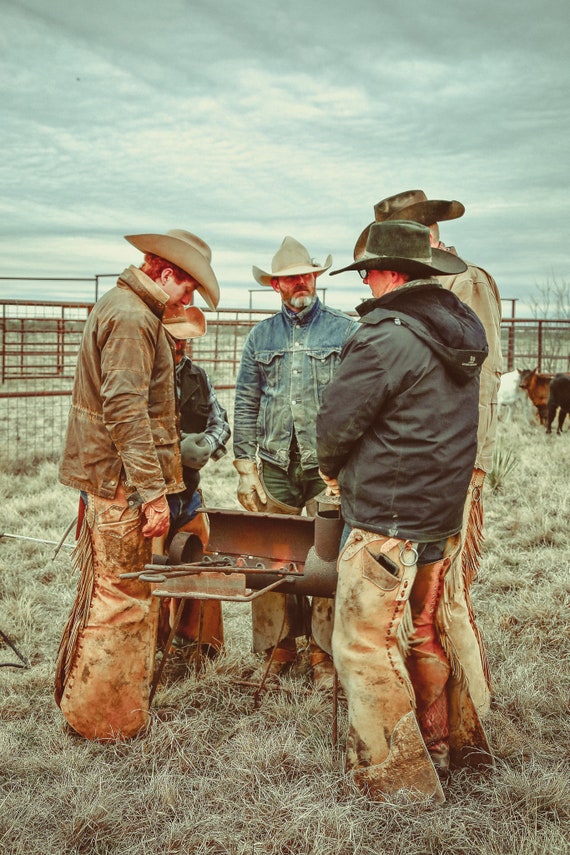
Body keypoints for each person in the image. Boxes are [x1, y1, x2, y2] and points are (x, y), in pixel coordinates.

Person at [317, 220, 490, 803]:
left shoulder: (386, 335)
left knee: (365, 644)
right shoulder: (456, 329)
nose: (364, 283)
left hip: (386, 520)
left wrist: (331, 465)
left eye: (367, 272)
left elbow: (337, 423)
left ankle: (394, 780)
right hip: (438, 514)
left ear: (392, 273)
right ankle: (440, 746)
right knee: (422, 632)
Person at [54, 229, 220, 740]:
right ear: (164, 272)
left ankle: (102, 709)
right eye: (187, 289)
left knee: (117, 593)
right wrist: (152, 493)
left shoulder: (126, 309)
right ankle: (107, 720)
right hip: (122, 485)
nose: (186, 301)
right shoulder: (130, 319)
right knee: (124, 597)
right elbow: (126, 411)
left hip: (116, 479)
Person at [354, 190, 503, 721]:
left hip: (452, 466)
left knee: (445, 599)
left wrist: (472, 463)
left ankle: (468, 716)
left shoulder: (464, 283)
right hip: (424, 467)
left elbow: (482, 380)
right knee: (417, 602)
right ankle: (429, 718)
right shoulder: (428, 291)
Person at [232, 236, 358, 686]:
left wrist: (348, 463)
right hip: (275, 466)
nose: (299, 282)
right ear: (276, 286)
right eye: (290, 278)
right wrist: (245, 465)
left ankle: (324, 653)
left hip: (327, 469)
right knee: (270, 556)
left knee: (327, 559)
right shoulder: (260, 337)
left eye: (306, 274)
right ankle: (278, 645)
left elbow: (356, 400)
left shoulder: (345, 330)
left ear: (315, 278)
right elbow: (246, 401)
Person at [158, 304, 231, 657]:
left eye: (184, 339)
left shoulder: (198, 377)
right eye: (173, 337)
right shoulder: (142, 373)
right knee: (149, 573)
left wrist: (208, 444)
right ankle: (153, 643)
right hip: (150, 493)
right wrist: (175, 449)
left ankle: (199, 646)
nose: (179, 344)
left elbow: (220, 421)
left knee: (197, 559)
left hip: (187, 494)